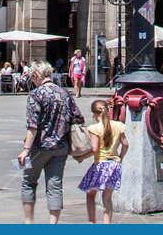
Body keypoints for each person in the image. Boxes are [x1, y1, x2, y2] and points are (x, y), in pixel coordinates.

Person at [17, 60, 81, 224]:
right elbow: (78, 117)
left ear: (37, 75)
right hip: (61, 147)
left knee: (28, 182)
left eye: (32, 78)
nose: (32, 81)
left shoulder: (36, 95)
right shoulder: (65, 93)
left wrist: (25, 149)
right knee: (55, 186)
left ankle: (29, 222)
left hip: (39, 147)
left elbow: (33, 126)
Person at [79, 97, 129, 223]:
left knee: (90, 194)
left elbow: (94, 149)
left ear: (94, 114)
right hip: (114, 164)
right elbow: (125, 144)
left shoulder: (94, 128)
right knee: (107, 198)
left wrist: (82, 157)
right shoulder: (118, 125)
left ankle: (92, 222)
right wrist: (120, 158)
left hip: (100, 164)